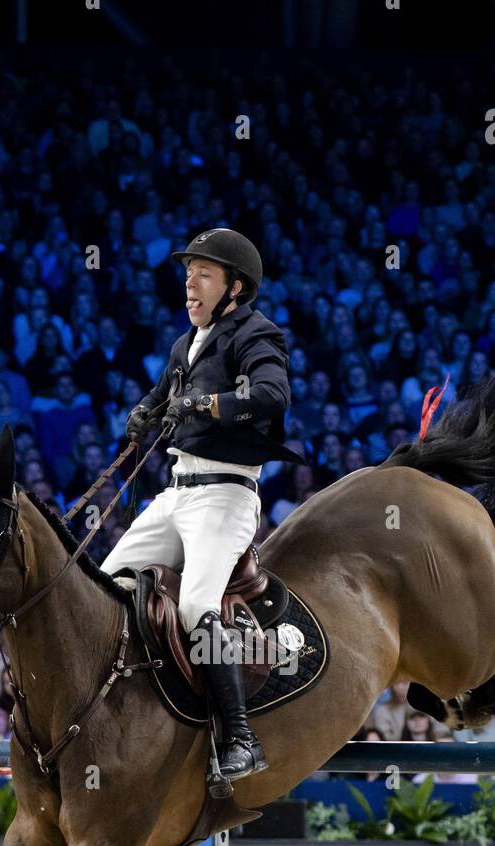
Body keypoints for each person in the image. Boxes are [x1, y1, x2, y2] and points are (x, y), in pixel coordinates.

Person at [99, 229, 298, 782]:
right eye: (188, 273)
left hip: (226, 495)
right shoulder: (184, 343)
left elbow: (272, 396)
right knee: (106, 583)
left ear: (235, 287)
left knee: (194, 608)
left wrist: (204, 404)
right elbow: (164, 393)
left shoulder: (257, 333)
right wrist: (144, 411)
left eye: (203, 274)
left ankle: (238, 737)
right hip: (178, 491)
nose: (190, 282)